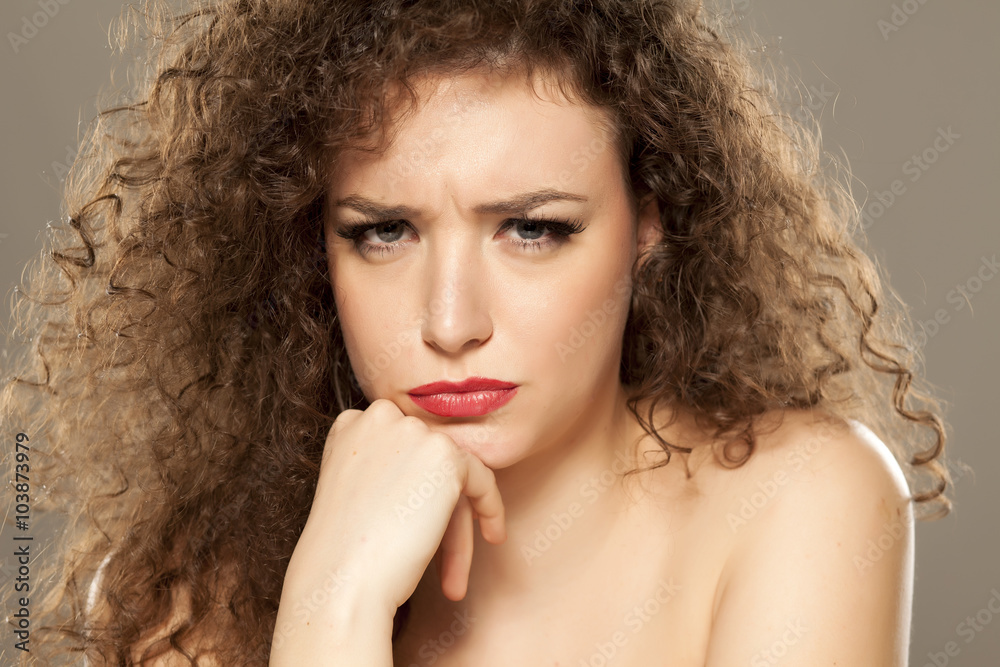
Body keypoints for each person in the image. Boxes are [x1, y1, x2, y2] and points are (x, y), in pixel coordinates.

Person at [0, 0, 955, 665]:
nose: (450, 323)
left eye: (532, 229)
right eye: (383, 232)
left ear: (647, 226)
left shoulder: (795, 502)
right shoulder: (182, 610)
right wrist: (333, 608)